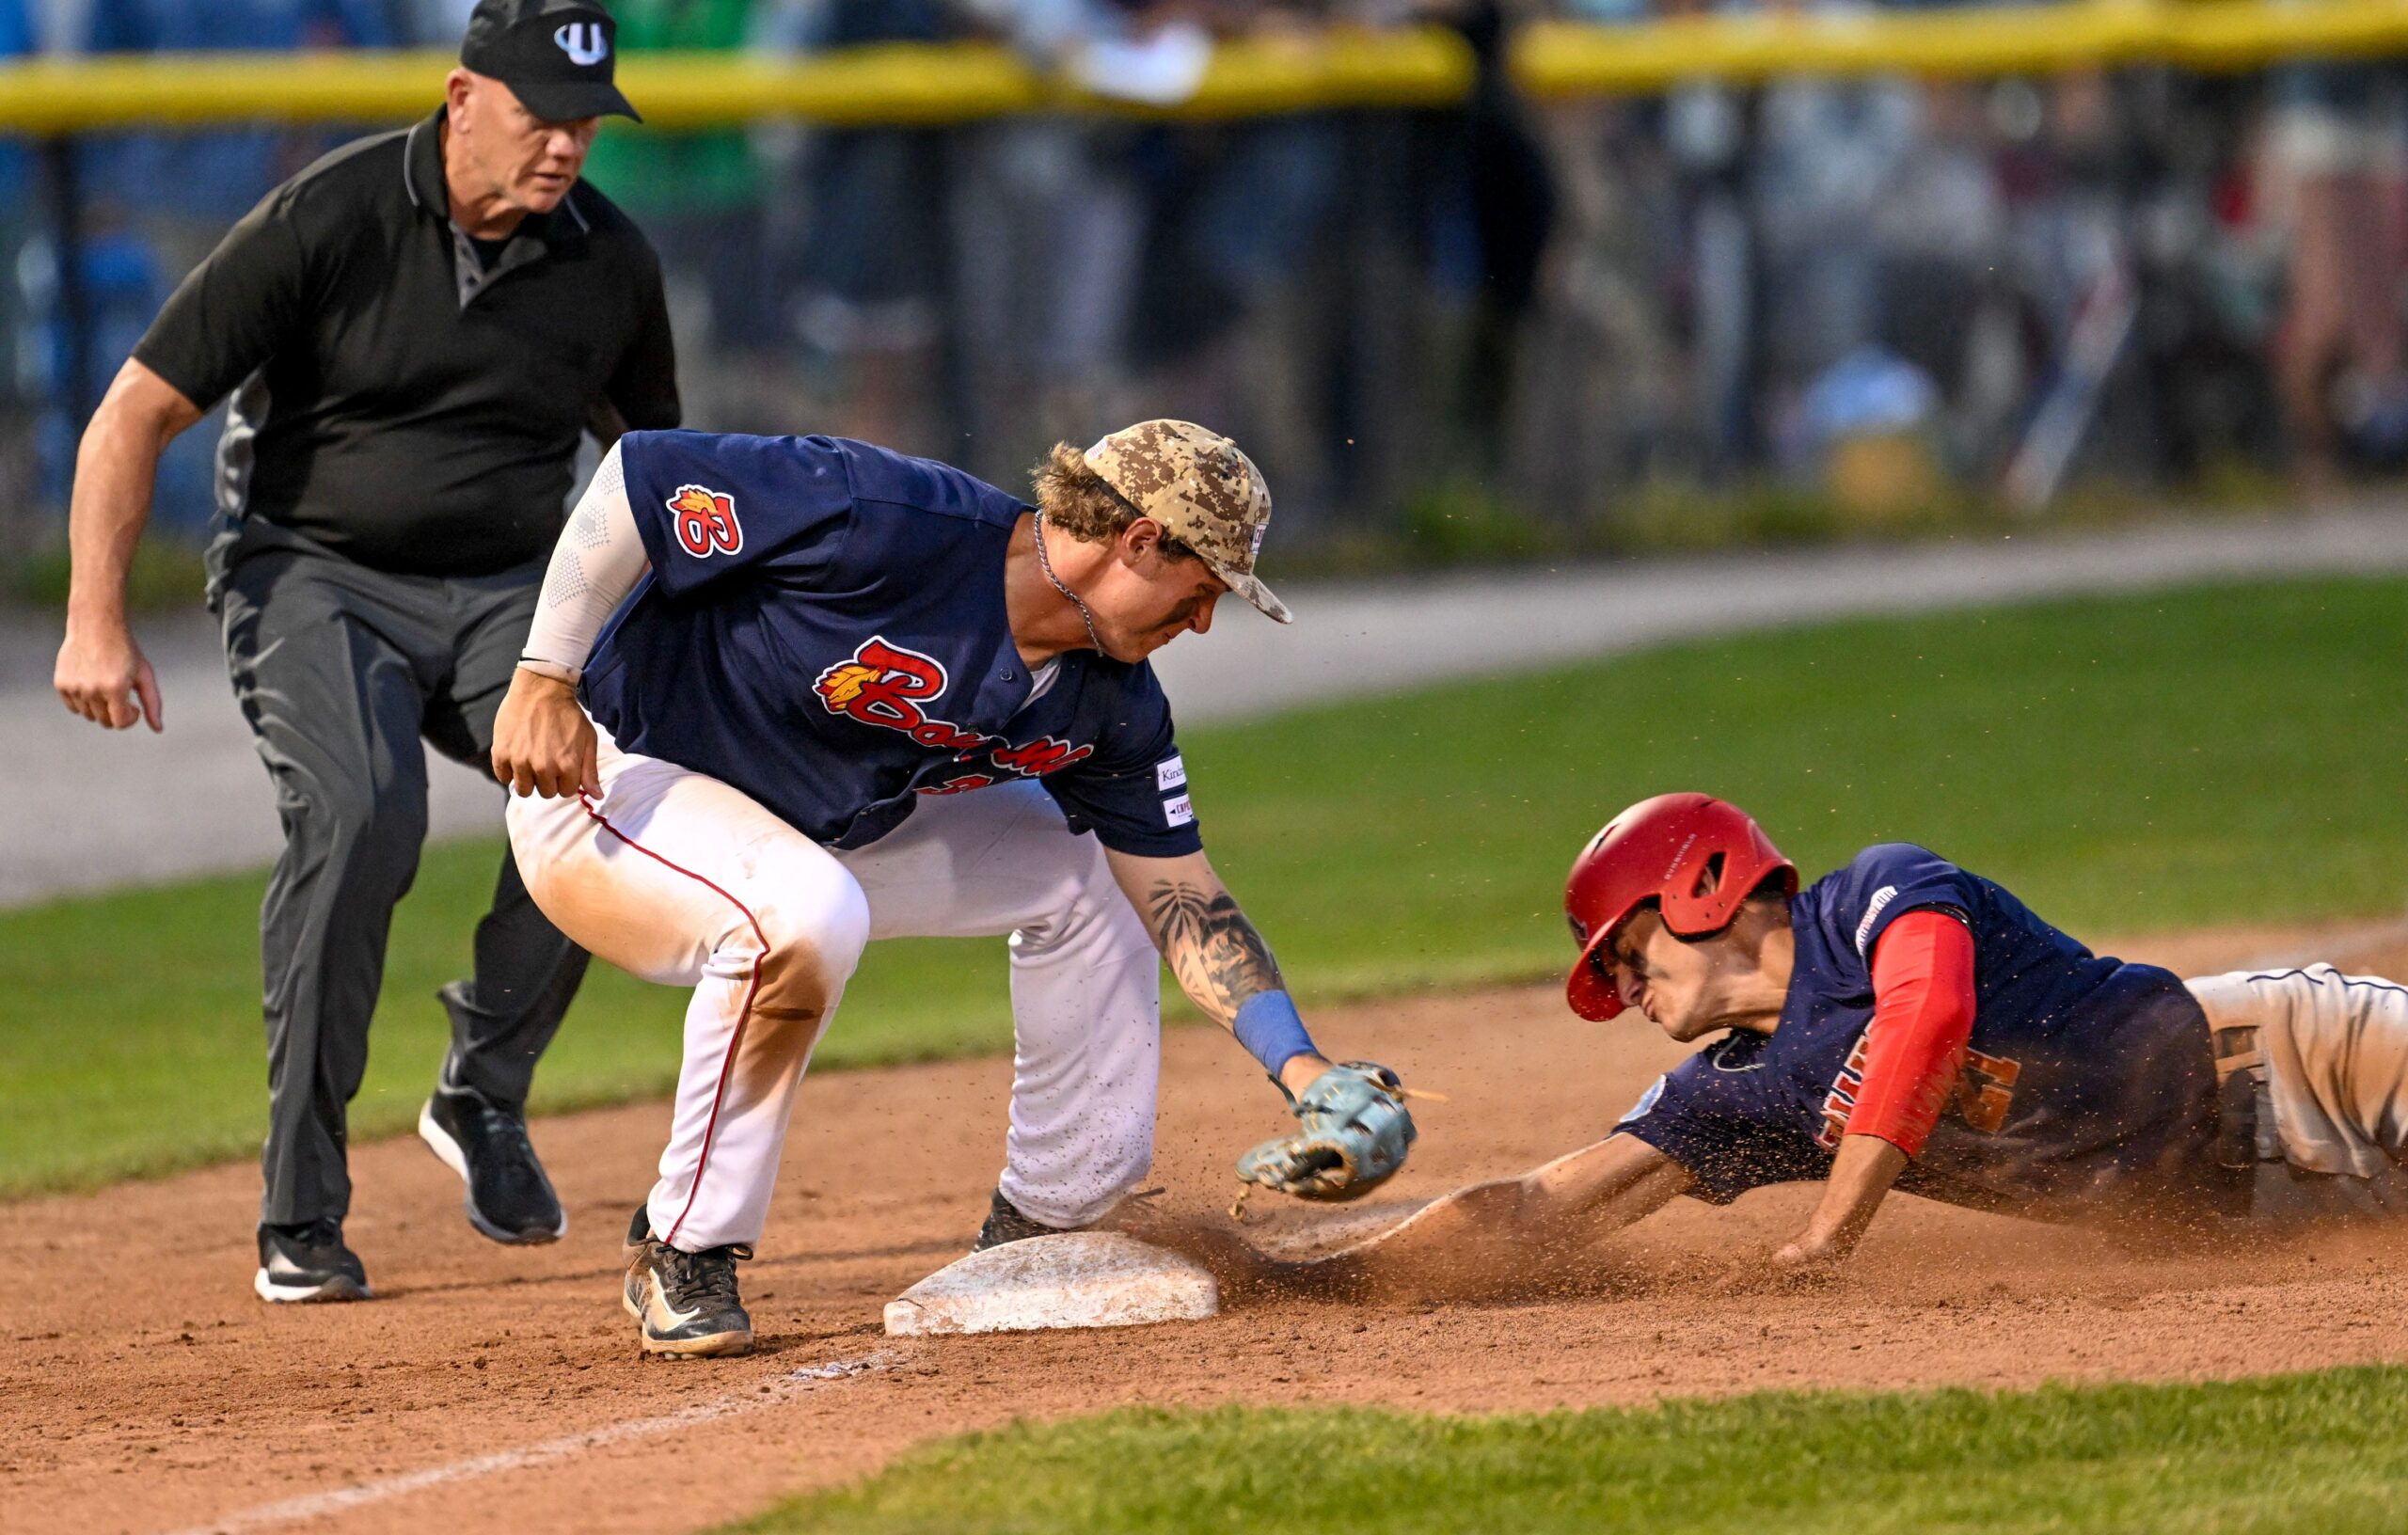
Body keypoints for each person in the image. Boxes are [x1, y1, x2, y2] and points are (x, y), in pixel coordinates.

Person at [489, 419, 1418, 1356]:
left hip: (825, 829)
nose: (1205, 618)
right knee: (805, 914)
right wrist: (543, 674)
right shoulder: (883, 516)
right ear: (1139, 541)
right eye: (1204, 586)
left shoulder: (1111, 703)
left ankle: (1044, 1222)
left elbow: (1188, 903)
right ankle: (685, 1247)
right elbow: (641, 476)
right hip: (613, 787)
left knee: (1090, 868)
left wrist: (1306, 1073)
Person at [52, 0, 681, 1305]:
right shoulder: (324, 218)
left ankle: (484, 1086)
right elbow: (132, 414)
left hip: (512, 585)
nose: (565, 146)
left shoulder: (609, 262)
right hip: (315, 574)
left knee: (609, 780)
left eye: (583, 123)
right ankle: (301, 1210)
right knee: (360, 814)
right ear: (462, 100)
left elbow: (650, 473)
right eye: (538, 116)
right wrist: (94, 621)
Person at [1293, 792, 2408, 1293]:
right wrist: (1311, 1282)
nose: (1621, 985)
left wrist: (1834, 1229)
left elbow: (1925, 1018)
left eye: (1622, 953)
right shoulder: (1729, 1094)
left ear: (1700, 884)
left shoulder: (1875, 895)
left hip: (2301, 1057)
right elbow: (1547, 1206)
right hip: (2245, 1221)